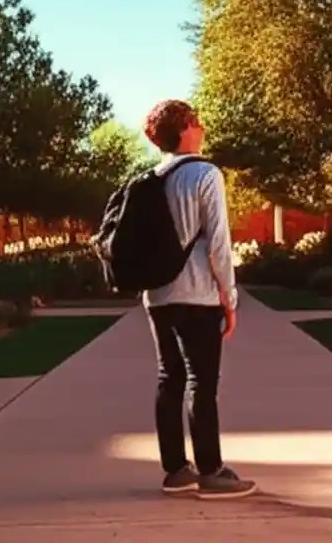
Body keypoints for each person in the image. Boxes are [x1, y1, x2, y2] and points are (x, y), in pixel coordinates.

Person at [141, 99, 257, 500]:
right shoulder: (205, 173)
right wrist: (229, 296)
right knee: (201, 381)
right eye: (196, 121)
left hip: (157, 295)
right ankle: (212, 472)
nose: (202, 126)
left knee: (169, 378)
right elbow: (219, 243)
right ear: (185, 128)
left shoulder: (151, 178)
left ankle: (176, 470)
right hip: (197, 294)